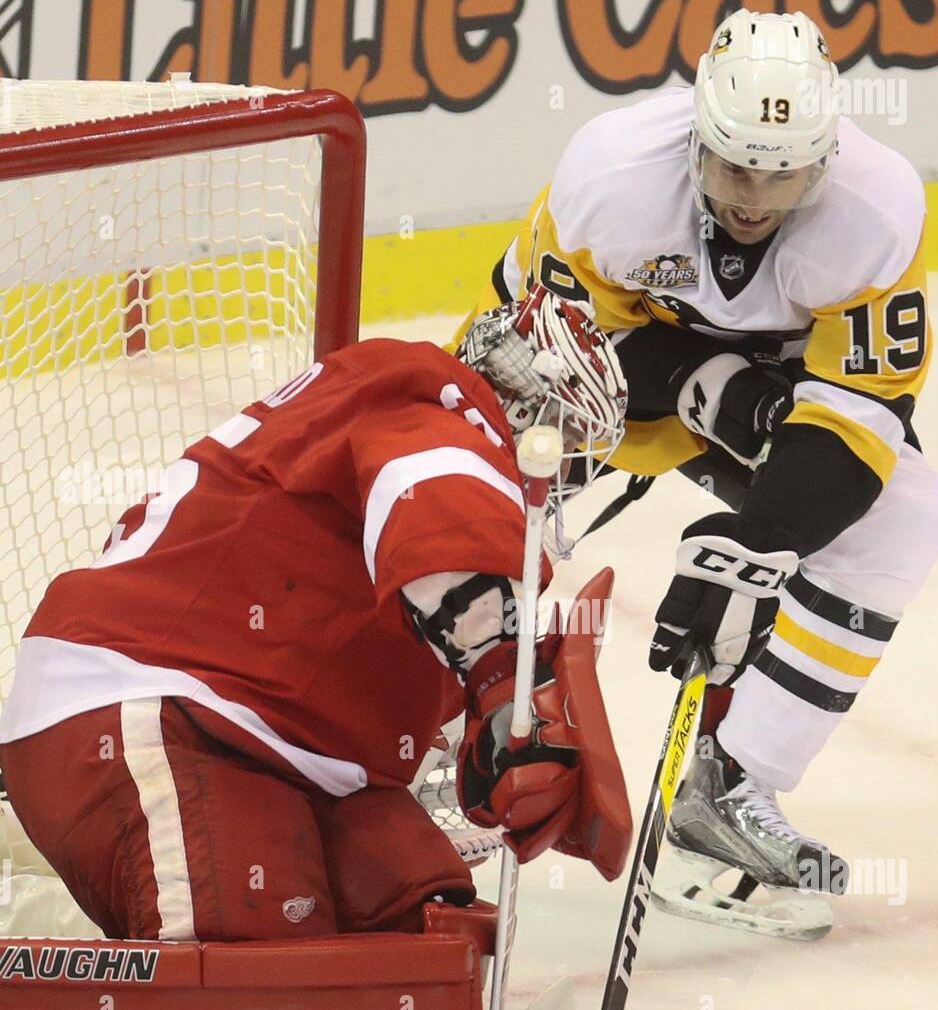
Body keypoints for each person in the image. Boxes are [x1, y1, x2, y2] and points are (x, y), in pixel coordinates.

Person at [457, 8, 938, 926]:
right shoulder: (610, 176)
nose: (755, 198)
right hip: (583, 377)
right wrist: (704, 386)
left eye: (786, 174)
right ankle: (396, 748)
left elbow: (860, 414)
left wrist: (758, 542)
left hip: (767, 401)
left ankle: (727, 789)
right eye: (733, 169)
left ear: (828, 157)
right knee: (461, 515)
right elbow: (556, 351)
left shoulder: (875, 211)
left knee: (905, 515)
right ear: (696, 139)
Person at [0, 287, 631, 942]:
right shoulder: (427, 406)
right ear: (523, 405)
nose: (571, 470)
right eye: (570, 439)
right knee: (253, 950)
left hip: (263, 739)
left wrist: (497, 740)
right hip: (148, 706)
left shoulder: (411, 483)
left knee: (419, 921)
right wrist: (503, 680)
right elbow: (439, 512)